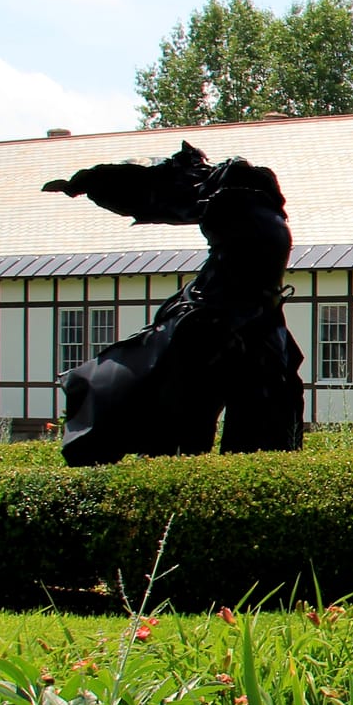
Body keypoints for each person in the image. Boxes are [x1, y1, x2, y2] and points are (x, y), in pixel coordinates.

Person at [42, 141, 305, 464]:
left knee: (267, 403)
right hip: (221, 311)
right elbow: (158, 191)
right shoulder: (216, 191)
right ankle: (170, 459)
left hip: (257, 314)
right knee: (186, 398)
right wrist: (88, 183)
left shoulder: (246, 197)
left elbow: (161, 193)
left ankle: (252, 467)